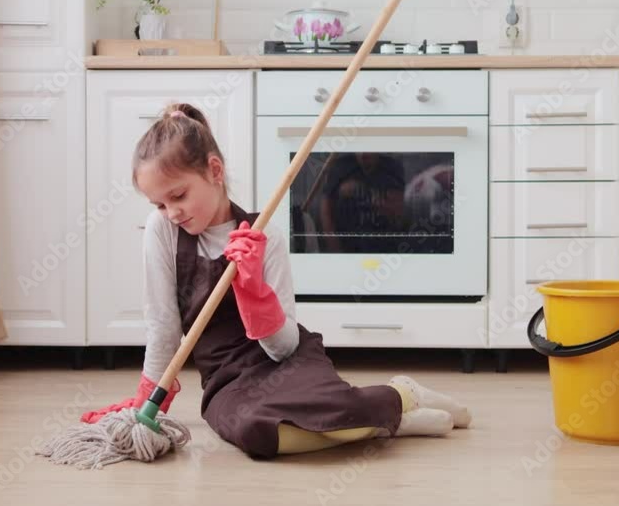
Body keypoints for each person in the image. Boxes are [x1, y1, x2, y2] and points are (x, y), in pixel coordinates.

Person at [78, 103, 471, 459]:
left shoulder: (266, 236)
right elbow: (163, 325)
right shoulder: (162, 231)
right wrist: (149, 401)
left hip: (284, 361)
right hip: (227, 380)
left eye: (178, 196)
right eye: (159, 204)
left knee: (328, 404)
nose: (171, 212)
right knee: (257, 431)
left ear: (215, 171)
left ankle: (397, 397)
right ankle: (394, 410)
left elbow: (284, 347)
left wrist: (252, 290)